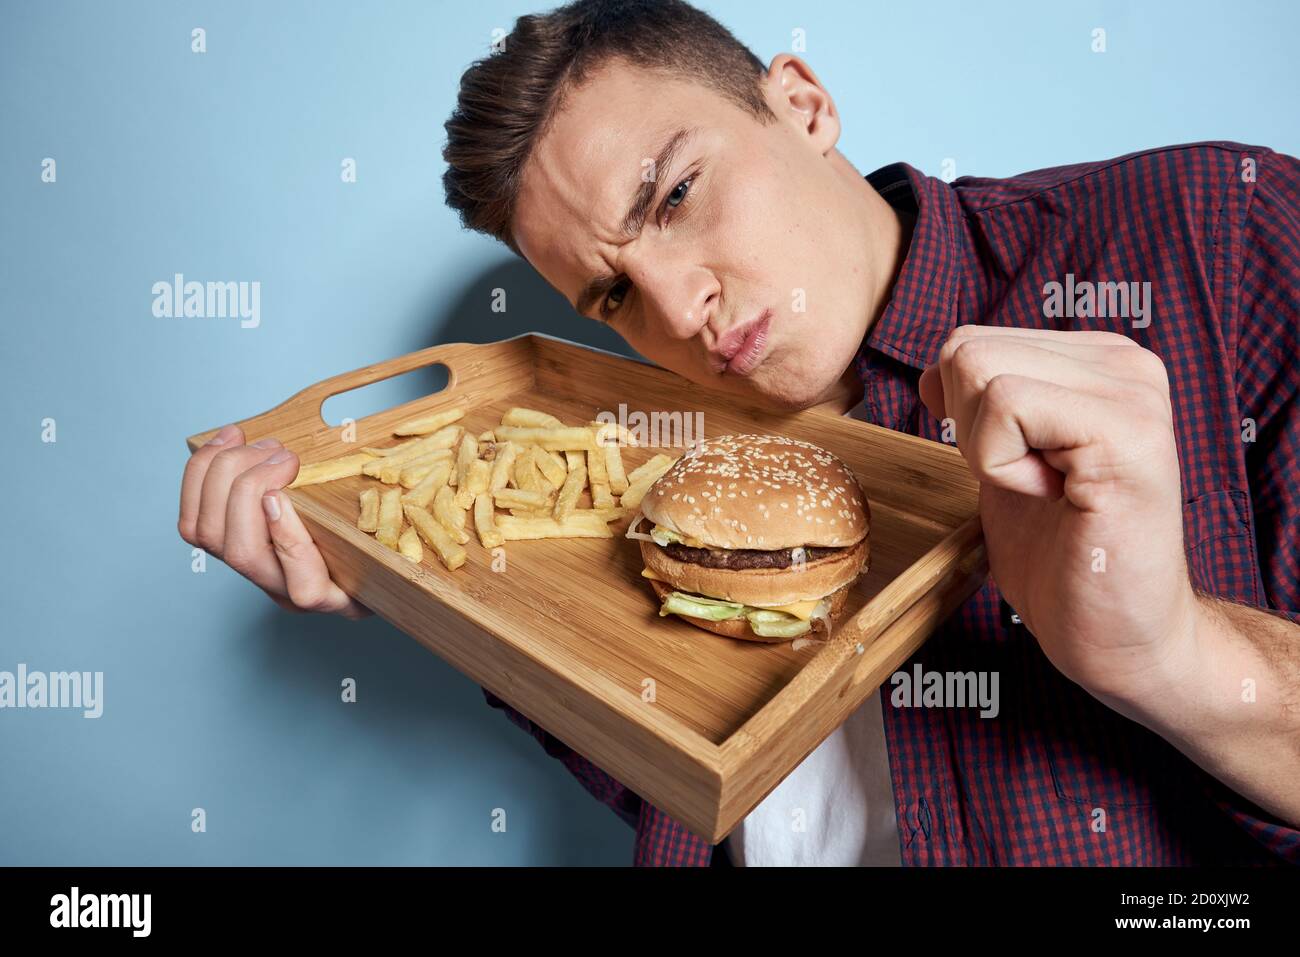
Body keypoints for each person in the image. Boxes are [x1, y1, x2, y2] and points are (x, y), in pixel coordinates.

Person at [178, 0, 1300, 866]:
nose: (674, 312)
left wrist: (1172, 656)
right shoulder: (639, 460)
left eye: (672, 197)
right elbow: (689, 784)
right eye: (611, 300)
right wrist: (407, 582)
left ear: (804, 105)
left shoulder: (1213, 233)